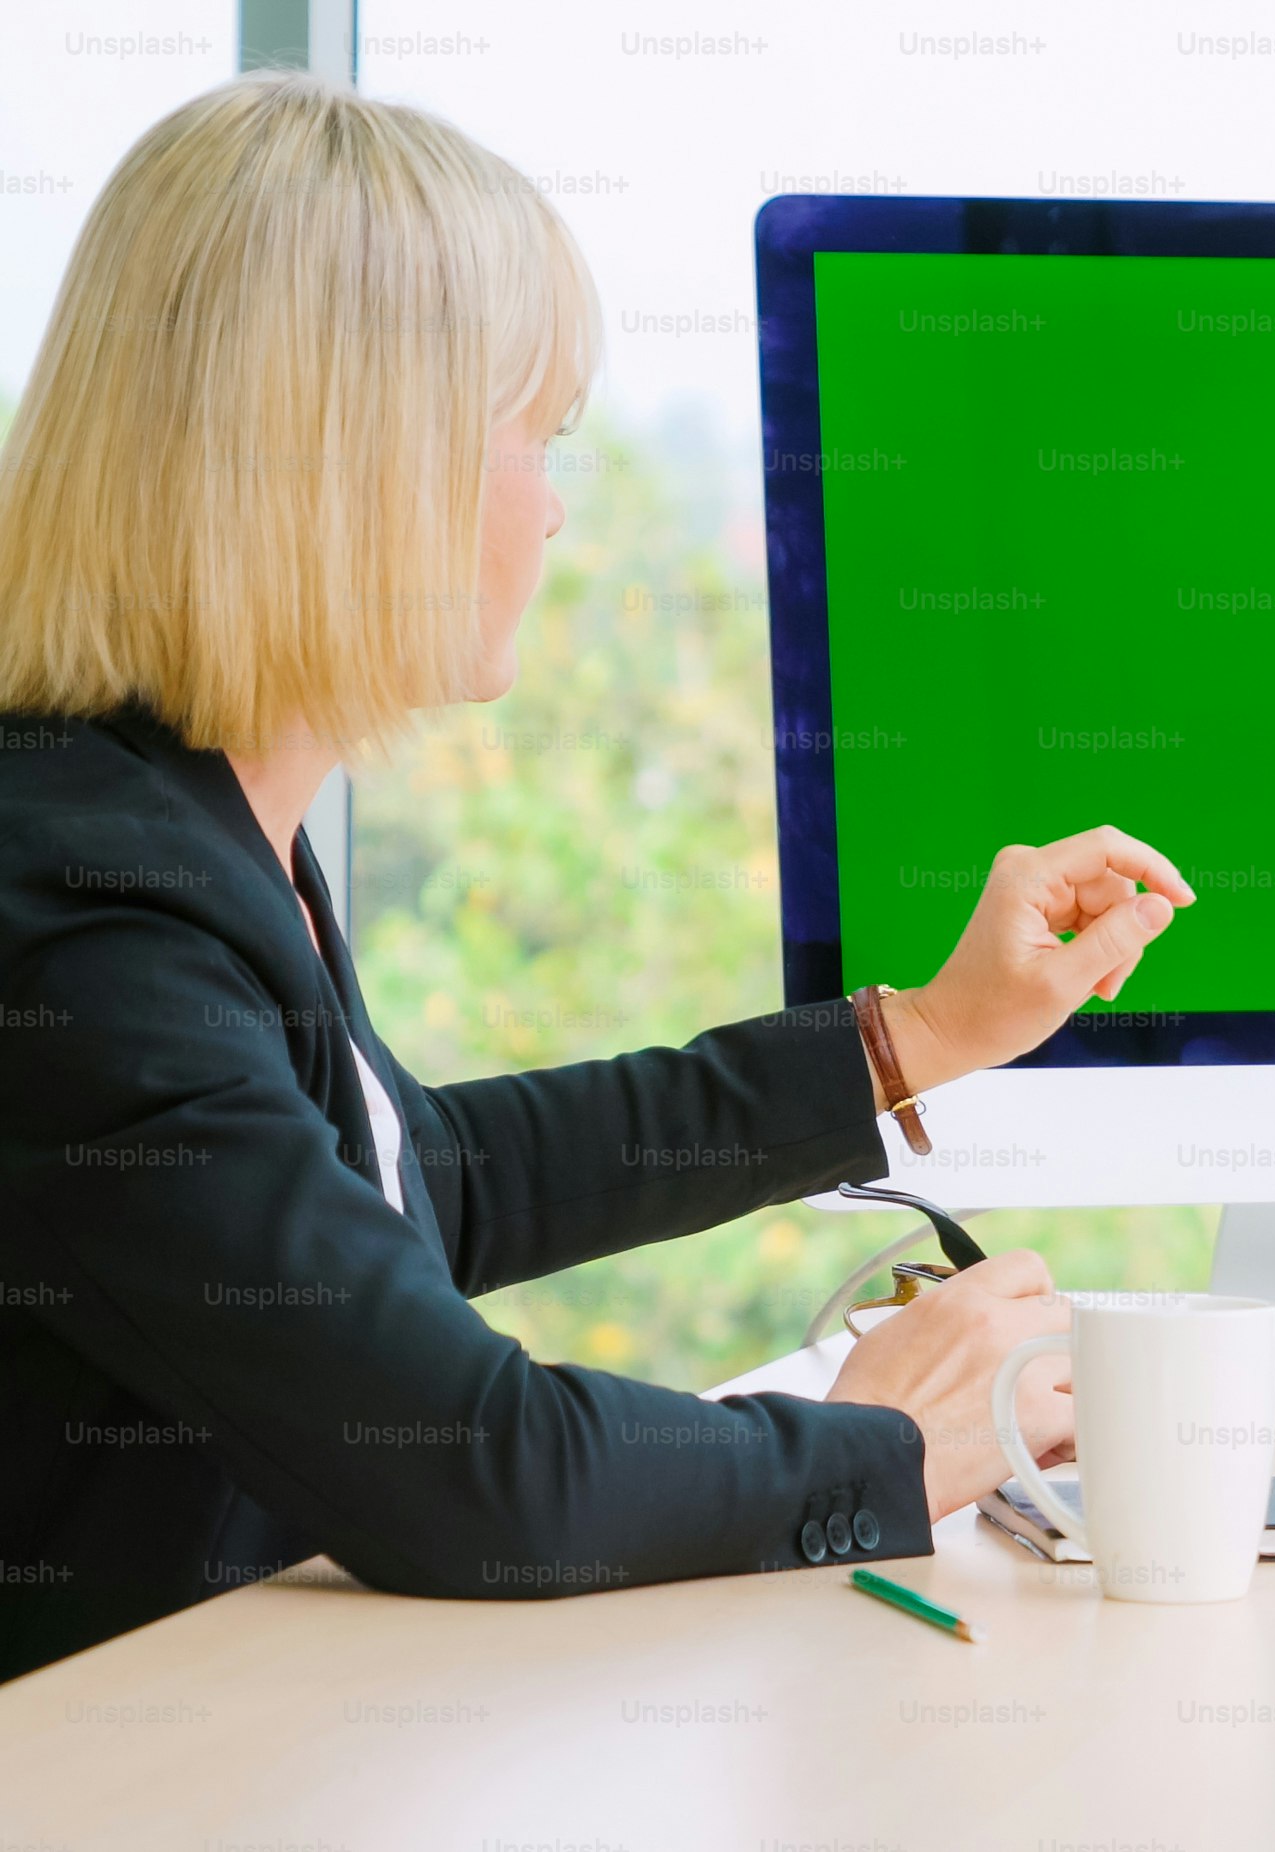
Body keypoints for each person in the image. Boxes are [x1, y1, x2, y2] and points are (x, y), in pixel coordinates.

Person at [0, 74, 1195, 1680]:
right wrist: (880, 1447)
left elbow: (418, 1182)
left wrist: (911, 1037)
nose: (556, 509)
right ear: (360, 464)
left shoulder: (180, 829)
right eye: (534, 438)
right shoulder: (80, 910)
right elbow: (459, 1464)